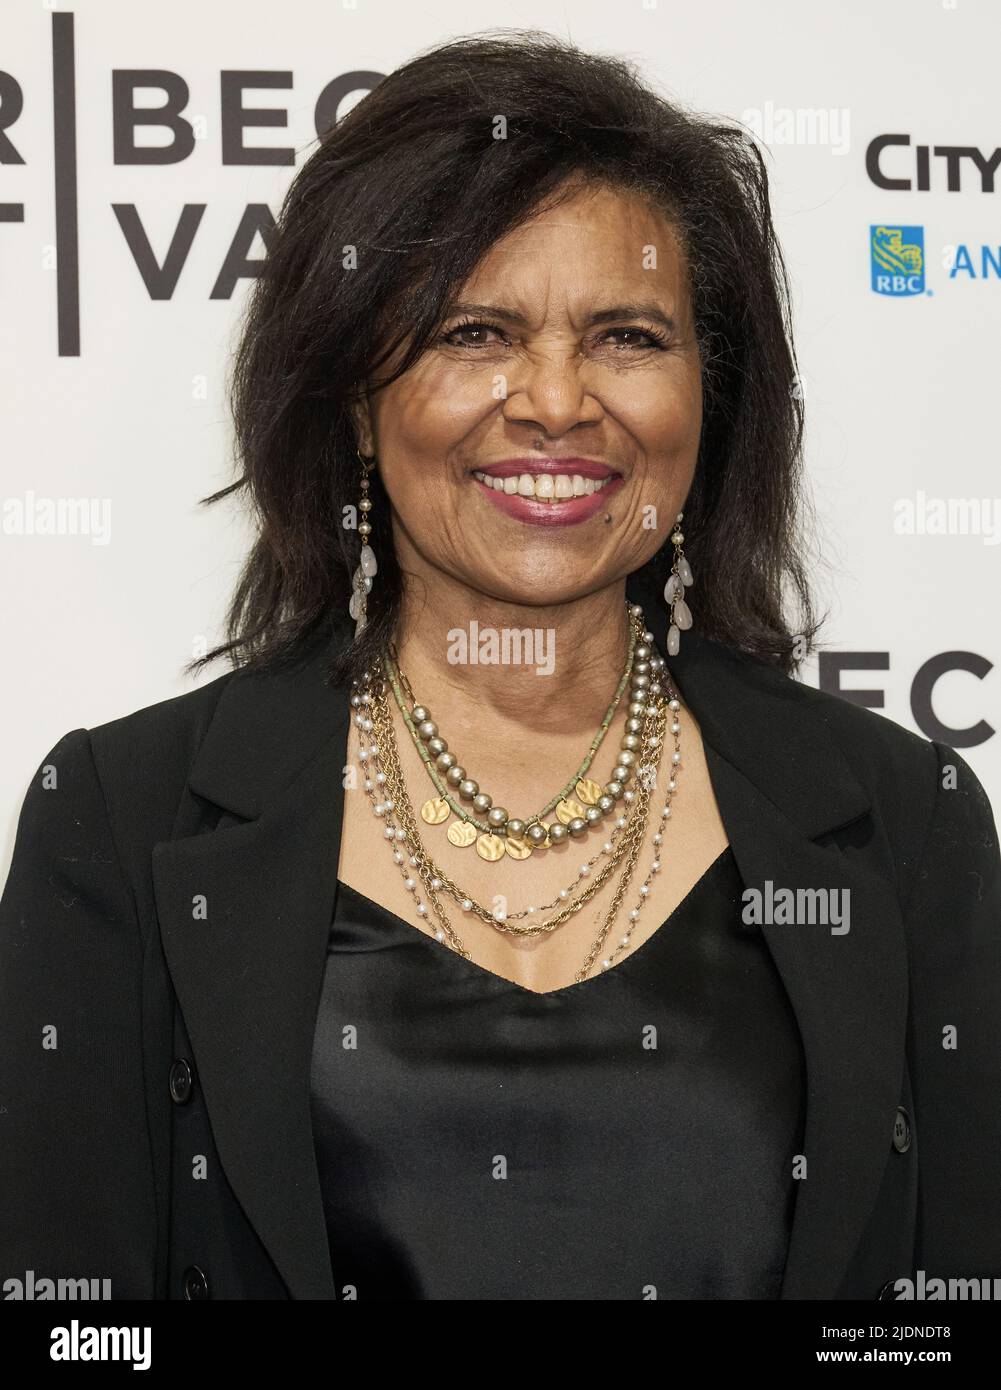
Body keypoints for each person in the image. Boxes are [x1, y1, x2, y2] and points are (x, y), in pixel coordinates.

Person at [2, 30, 999, 1303]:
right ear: (354, 395)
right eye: (474, 330)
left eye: (627, 336)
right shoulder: (122, 821)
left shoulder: (903, 823)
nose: (553, 401)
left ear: (712, 397)